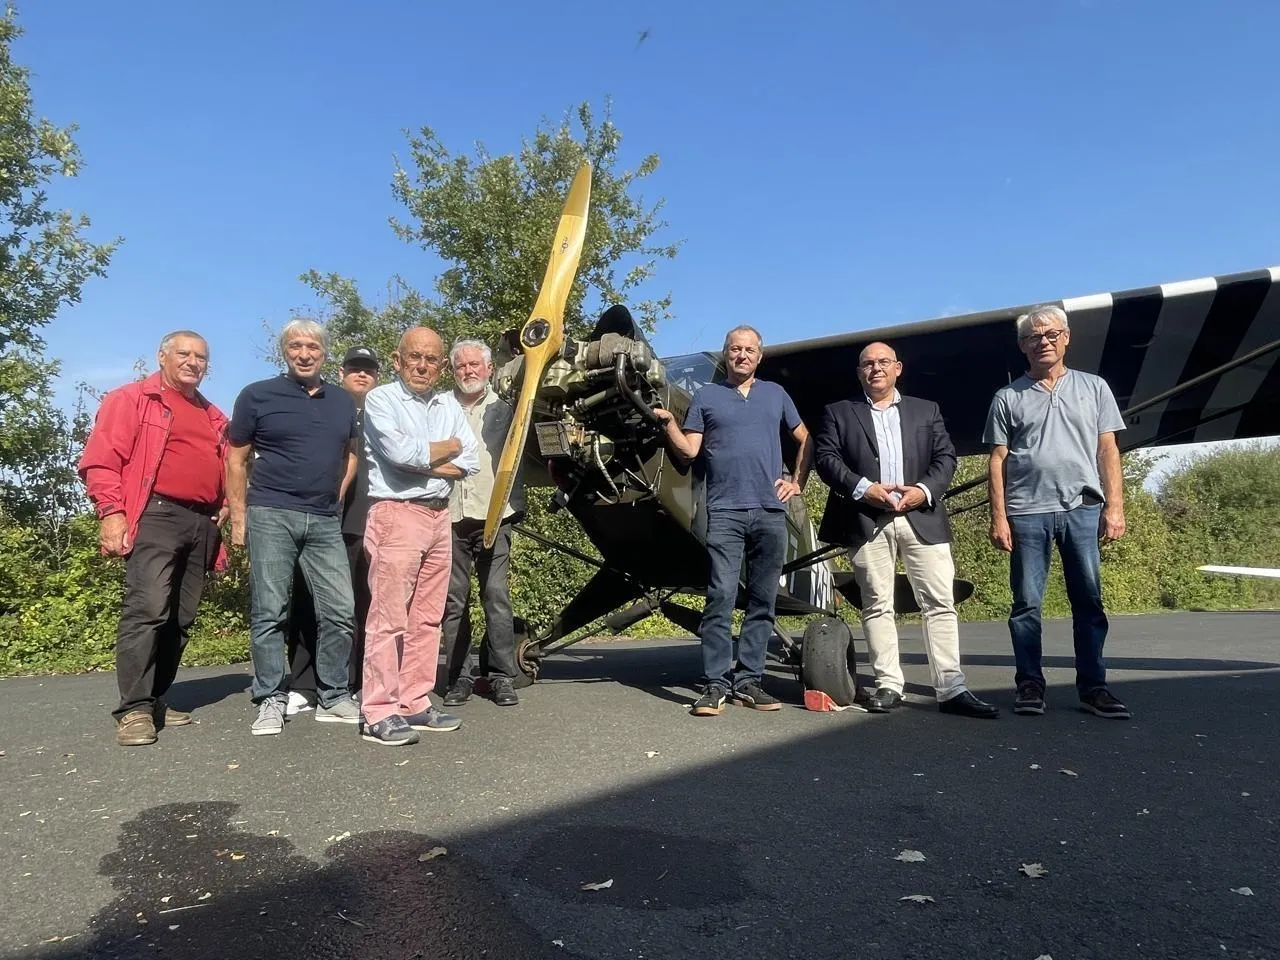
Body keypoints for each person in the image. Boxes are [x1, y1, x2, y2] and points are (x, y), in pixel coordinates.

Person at [815, 341, 998, 719]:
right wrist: (867, 489)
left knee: (940, 603)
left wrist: (923, 491)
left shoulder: (926, 410)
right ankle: (888, 685)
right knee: (877, 604)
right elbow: (827, 459)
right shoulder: (838, 413)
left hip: (922, 516)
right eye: (868, 364)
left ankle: (951, 688)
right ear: (859, 372)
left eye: (884, 362)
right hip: (867, 519)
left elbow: (945, 458)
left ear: (898, 368)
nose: (876, 369)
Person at [78, 331, 228, 746]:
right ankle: (134, 710)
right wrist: (112, 512)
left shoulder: (213, 415)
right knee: (147, 609)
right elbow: (101, 460)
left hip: (202, 521)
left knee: (182, 617)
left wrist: (228, 501)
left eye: (201, 357)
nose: (193, 362)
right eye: (184, 353)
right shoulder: (132, 399)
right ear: (162, 356)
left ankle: (157, 697)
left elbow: (227, 466)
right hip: (157, 513)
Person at [655, 325, 811, 717]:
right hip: (723, 511)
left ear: (760, 356)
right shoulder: (707, 396)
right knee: (721, 596)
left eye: (750, 350)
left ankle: (750, 681)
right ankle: (715, 684)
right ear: (726, 354)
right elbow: (690, 450)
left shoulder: (776, 394)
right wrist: (668, 424)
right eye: (735, 349)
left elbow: (806, 437)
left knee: (762, 600)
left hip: (770, 512)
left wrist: (798, 482)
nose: (742, 355)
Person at [984, 304, 1131, 719]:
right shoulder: (1007, 397)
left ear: (1066, 338)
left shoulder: (1095, 388)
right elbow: (997, 459)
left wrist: (1114, 506)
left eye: (1051, 334)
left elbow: (1108, 449)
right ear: (1022, 346)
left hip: (1082, 508)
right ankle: (1030, 685)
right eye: (1034, 337)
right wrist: (998, 517)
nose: (1043, 342)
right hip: (1027, 511)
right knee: (1027, 604)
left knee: (1088, 600)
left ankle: (1094, 688)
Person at [226, 318, 363, 736]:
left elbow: (351, 453)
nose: (305, 354)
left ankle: (334, 695)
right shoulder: (256, 396)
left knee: (340, 610)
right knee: (270, 611)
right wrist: (238, 516)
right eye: (296, 347)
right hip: (271, 513)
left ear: (325, 353)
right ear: (284, 352)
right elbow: (235, 458)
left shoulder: (343, 402)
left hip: (323, 518)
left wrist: (336, 492)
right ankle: (270, 698)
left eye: (313, 347)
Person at [359, 327, 479, 746]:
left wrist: (425, 458)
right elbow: (398, 455)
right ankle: (378, 710)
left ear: (442, 365)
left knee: (427, 617)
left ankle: (414, 700)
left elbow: (472, 461)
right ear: (397, 360)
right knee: (388, 617)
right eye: (415, 357)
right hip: (396, 514)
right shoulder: (381, 399)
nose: (423, 366)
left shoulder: (448, 404)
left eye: (431, 359)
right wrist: (441, 452)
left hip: (438, 516)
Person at [285, 345, 381, 715]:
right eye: (355, 368)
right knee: (308, 600)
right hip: (318, 516)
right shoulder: (322, 404)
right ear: (341, 371)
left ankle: (353, 682)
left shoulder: (383, 414)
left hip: (364, 521)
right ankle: (304, 684)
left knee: (360, 603)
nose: (362, 374)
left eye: (369, 370)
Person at [440, 339, 526, 707]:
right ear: (453, 370)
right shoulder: (439, 409)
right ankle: (459, 677)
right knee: (453, 602)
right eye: (461, 366)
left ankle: (502, 676)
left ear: (490, 369)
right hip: (449, 516)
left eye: (475, 365)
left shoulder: (510, 409)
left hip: (495, 516)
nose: (469, 371)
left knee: (496, 597)